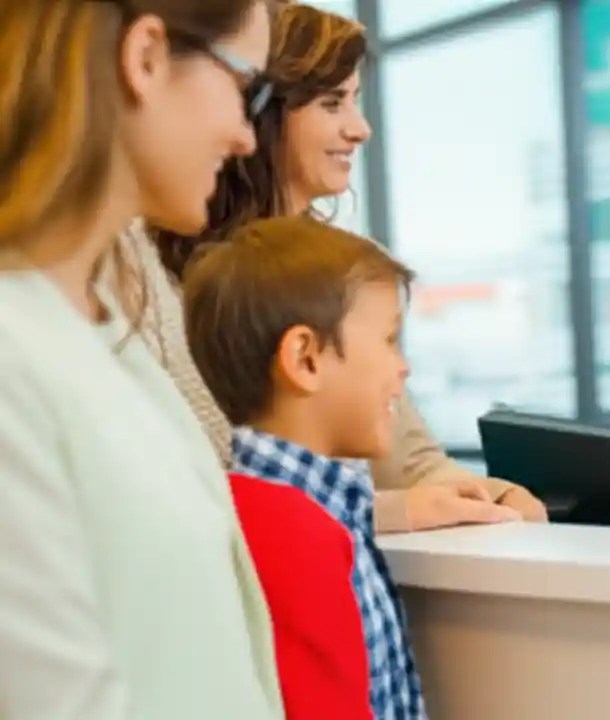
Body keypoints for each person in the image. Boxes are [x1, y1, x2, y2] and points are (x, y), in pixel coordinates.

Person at [110, 1, 546, 532]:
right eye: (332, 103)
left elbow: (408, 462)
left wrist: (491, 496)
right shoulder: (140, 266)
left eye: (355, 101)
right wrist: (388, 511)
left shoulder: (338, 272)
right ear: (262, 110)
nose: (360, 129)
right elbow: (202, 489)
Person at [0, 1, 287, 718]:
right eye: (244, 86)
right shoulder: (17, 353)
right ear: (147, 58)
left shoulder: (106, 334)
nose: (247, 137)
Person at [183, 215, 443, 718]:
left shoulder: (312, 512)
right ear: (305, 359)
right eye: (389, 340)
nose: (402, 366)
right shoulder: (291, 532)